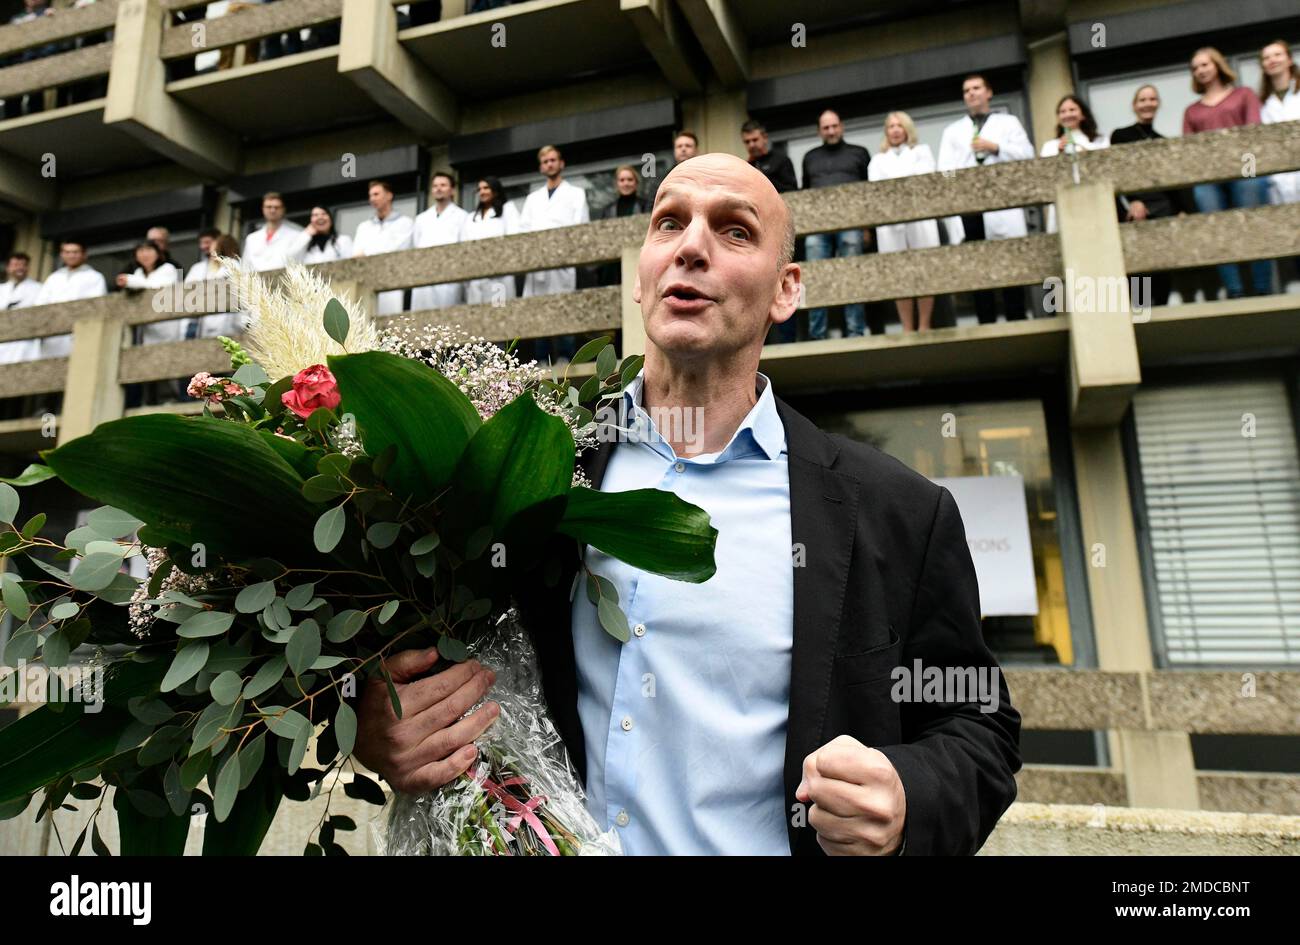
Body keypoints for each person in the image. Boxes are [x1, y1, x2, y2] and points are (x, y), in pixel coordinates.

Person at [353, 152, 1022, 856]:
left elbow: (980, 724)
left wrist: (908, 788)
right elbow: (415, 641)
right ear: (640, 278)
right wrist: (381, 721)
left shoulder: (899, 512)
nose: (691, 246)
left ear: (786, 290)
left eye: (735, 231)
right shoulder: (528, 474)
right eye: (668, 222)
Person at [938, 74, 1035, 323]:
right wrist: (958, 187)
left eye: (976, 88)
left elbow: (1027, 156)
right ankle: (986, 323)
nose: (971, 93)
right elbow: (944, 171)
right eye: (966, 90)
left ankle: (1017, 321)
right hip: (970, 207)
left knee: (1011, 266)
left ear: (988, 92)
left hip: (1003, 204)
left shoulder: (1009, 123)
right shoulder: (953, 131)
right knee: (980, 269)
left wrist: (996, 148)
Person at [1183, 47, 1272, 297]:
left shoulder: (1244, 95)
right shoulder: (1192, 111)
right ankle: (1234, 289)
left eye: (1204, 64)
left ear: (1217, 65)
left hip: (1246, 169)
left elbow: (1253, 130)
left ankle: (1262, 288)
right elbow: (1188, 147)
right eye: (1195, 67)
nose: (1200, 70)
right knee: (1216, 226)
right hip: (1211, 176)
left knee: (1253, 220)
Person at [1110, 85, 1196, 308]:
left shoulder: (1162, 140)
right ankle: (1140, 308)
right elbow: (1118, 174)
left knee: (1161, 259)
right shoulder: (1121, 136)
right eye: (1142, 99)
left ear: (1157, 104)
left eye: (1152, 99)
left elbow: (1171, 181)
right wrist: (1133, 200)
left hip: (1163, 205)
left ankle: (1160, 305)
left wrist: (1182, 210)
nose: (1147, 103)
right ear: (1134, 105)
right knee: (1139, 258)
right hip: (1136, 205)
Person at [800, 110, 871, 341]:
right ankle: (816, 335)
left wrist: (867, 226)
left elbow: (869, 193)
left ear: (842, 126)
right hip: (817, 227)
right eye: (825, 127)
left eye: (834, 126)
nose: (830, 131)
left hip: (852, 223)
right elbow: (806, 193)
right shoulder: (810, 157)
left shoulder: (859, 153)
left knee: (851, 275)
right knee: (814, 277)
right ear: (819, 131)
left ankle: (855, 332)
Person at [869, 112, 941, 332]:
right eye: (891, 126)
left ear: (907, 129)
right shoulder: (878, 160)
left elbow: (925, 180)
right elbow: (877, 189)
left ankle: (924, 324)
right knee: (899, 273)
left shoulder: (922, 152)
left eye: (900, 125)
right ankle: (907, 326)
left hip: (920, 218)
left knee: (924, 269)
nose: (895, 130)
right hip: (891, 223)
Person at [519, 145, 590, 363]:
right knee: (540, 308)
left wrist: (563, 249)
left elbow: (580, 226)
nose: (549, 164)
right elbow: (524, 229)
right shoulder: (532, 198)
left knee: (563, 306)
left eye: (553, 160)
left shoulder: (576, 194)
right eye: (545, 161)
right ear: (541, 167)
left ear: (561, 163)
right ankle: (541, 356)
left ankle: (565, 355)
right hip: (538, 261)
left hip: (563, 259)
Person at [1259, 39, 1300, 293]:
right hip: (1281, 181)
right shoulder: (1262, 104)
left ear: (1288, 59)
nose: (1272, 60)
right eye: (1266, 57)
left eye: (1277, 55)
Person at [1039, 94, 1108, 234]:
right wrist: (1059, 153)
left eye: (1072, 110)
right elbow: (1044, 175)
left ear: (1083, 114)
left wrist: (1084, 152)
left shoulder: (1099, 141)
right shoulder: (1049, 146)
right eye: (1062, 111)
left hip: (1093, 199)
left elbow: (1105, 166)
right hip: (1063, 201)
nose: (1067, 114)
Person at [34, 240, 107, 359]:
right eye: (67, 252)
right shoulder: (54, 278)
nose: (71, 255)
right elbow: (40, 304)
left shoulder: (94, 277)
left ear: (84, 254)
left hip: (79, 332)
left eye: (75, 252)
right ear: (62, 255)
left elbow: (96, 307)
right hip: (52, 334)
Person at [353, 179, 415, 315]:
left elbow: (396, 252)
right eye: (370, 195)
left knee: (391, 323)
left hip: (392, 280)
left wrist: (368, 254)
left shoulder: (405, 223)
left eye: (376, 194)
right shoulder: (364, 227)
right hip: (367, 280)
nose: (372, 199)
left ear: (389, 195)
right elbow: (357, 254)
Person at [410, 171, 467, 311]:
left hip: (449, 275)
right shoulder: (421, 219)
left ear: (452, 190)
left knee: (447, 321)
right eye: (435, 185)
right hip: (423, 275)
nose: (438, 188)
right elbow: (417, 245)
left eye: (443, 185)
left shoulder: (462, 216)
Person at [460, 177, 520, 306]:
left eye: (486, 188)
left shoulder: (508, 210)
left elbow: (514, 240)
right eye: (479, 189)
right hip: (476, 276)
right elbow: (465, 247)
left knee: (499, 314)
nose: (482, 192)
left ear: (496, 190)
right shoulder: (471, 218)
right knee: (476, 317)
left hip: (499, 276)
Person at [118, 239, 181, 346]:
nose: (145, 254)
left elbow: (156, 287)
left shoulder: (168, 268)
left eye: (148, 250)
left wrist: (130, 281)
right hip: (145, 325)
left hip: (165, 322)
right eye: (141, 251)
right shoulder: (138, 273)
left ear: (158, 253)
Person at [599, 165, 653, 284]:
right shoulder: (608, 210)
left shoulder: (646, 206)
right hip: (614, 265)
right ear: (617, 184)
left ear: (636, 183)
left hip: (639, 258)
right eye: (622, 180)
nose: (626, 183)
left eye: (630, 179)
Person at [242, 192, 303, 272]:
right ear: (263, 209)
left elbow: (298, 264)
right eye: (268, 207)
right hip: (255, 282)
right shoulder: (251, 238)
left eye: (277, 207)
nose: (272, 210)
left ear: (283, 209)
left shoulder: (296, 235)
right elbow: (245, 266)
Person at [0, 252, 42, 364]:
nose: (20, 268)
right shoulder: (1, 289)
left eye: (23, 265)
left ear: (28, 268)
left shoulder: (39, 289)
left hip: (24, 340)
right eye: (15, 265)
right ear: (8, 268)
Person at [741, 119, 797, 194]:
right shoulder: (746, 167)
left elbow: (792, 191)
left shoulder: (781, 160)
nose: (751, 145)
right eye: (747, 142)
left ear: (765, 138)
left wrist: (764, 178)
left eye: (755, 140)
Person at [285, 206, 353, 265]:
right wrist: (306, 234)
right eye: (315, 215)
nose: (320, 217)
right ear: (311, 221)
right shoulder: (305, 244)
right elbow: (290, 259)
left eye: (324, 214)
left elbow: (351, 263)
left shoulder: (343, 240)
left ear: (331, 219)